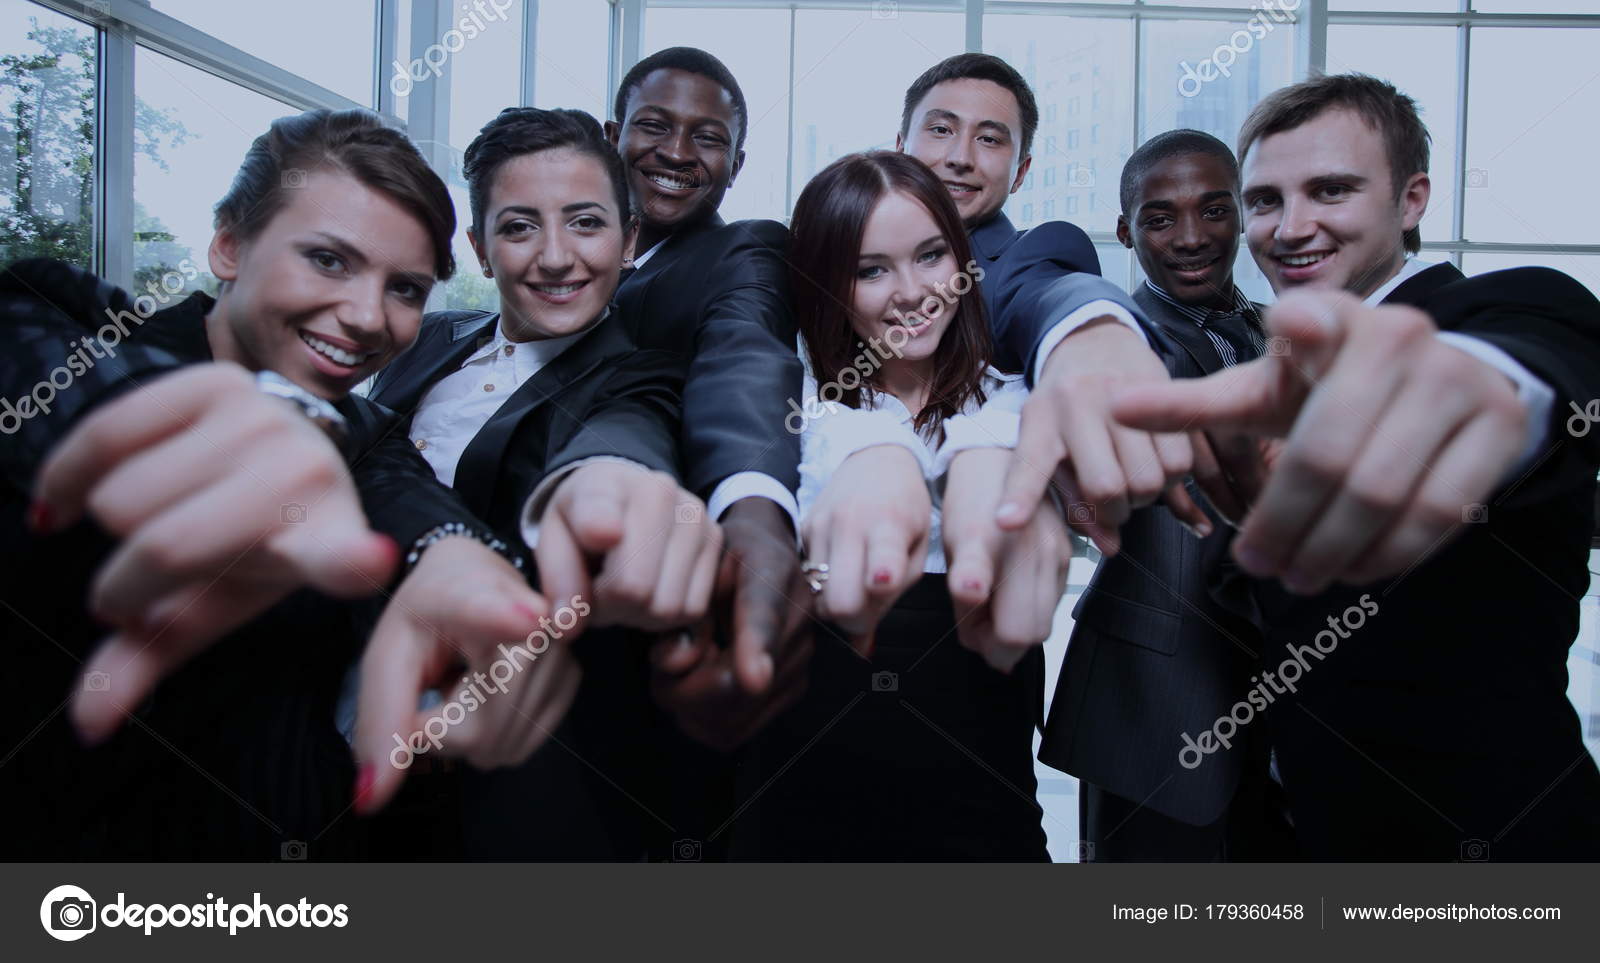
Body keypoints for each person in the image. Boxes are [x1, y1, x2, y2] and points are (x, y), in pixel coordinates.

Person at [0, 108, 571, 858]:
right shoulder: (55, 318)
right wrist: (244, 423)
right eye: (329, 260)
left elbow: (406, 497)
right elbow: (63, 382)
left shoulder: (360, 432)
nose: (368, 317)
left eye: (404, 288)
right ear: (230, 244)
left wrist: (457, 554)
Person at [1113, 74, 1600, 859]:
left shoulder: (1518, 306)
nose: (1290, 227)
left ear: (1412, 201)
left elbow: (1519, 367)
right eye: (1266, 201)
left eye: (1331, 190)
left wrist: (1455, 388)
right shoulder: (1271, 356)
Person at [365, 107, 722, 858]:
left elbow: (626, 437)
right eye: (520, 226)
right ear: (480, 250)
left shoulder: (642, 376)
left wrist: (610, 480)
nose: (556, 257)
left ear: (629, 242)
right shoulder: (425, 336)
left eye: (585, 223)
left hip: (523, 775)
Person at [731, 150, 1069, 860]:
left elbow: (1016, 429)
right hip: (801, 785)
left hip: (983, 789)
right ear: (826, 281)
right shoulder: (783, 404)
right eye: (870, 268)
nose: (913, 292)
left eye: (931, 256)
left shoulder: (1009, 397)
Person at [1045, 130, 1290, 861]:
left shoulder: (1267, 329)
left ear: (1242, 215)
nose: (1191, 238)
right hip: (1153, 691)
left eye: (1214, 211)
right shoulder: (1118, 343)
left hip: (1284, 679)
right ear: (1126, 229)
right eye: (1160, 218)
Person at [604, 48, 813, 755]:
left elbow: (745, 359)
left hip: (660, 628)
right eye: (655, 125)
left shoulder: (745, 253)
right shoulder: (571, 252)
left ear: (737, 163)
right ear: (614, 136)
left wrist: (753, 506)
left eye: (709, 136)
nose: (677, 152)